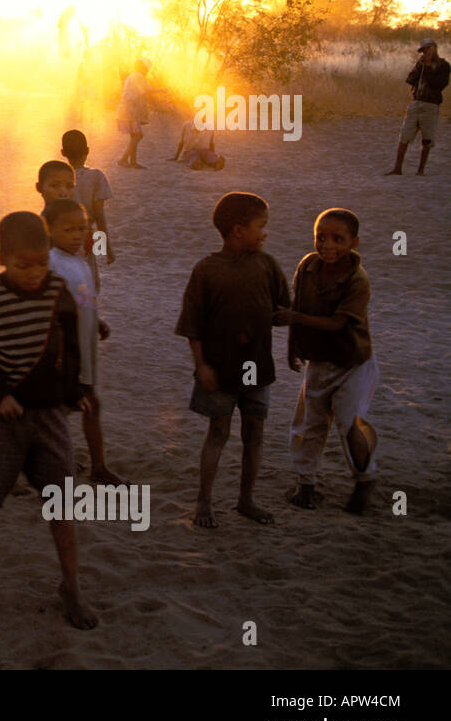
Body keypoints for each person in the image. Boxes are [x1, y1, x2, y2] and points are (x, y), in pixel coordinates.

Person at [0, 212, 96, 628]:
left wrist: (75, 390)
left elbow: (71, 343)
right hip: (1, 416)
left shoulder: (58, 290)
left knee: (61, 505)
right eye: (22, 265)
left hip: (48, 416)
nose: (33, 273)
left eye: (41, 262)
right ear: (1, 257)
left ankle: (71, 586)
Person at [175, 192, 290, 528]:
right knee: (219, 433)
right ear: (239, 230)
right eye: (261, 226)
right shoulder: (207, 270)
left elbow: (282, 310)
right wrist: (202, 366)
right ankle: (204, 502)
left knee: (255, 433)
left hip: (257, 367)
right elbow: (192, 326)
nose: (264, 233)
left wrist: (300, 323)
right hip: (220, 369)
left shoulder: (267, 265)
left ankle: (246, 500)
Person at [279, 209, 380, 515]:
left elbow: (337, 324)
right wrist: (292, 346)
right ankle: (306, 483)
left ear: (355, 242)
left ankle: (365, 479)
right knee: (309, 424)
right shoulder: (308, 266)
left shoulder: (357, 280)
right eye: (321, 237)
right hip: (318, 361)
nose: (328, 245)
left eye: (338, 239)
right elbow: (298, 305)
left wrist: (294, 318)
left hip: (353, 363)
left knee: (350, 425)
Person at [44, 199, 124, 485]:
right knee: (68, 409)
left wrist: (96, 320)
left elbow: (84, 299)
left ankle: (95, 466)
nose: (77, 235)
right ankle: (87, 466)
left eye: (82, 228)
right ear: (49, 230)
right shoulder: (51, 262)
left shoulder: (78, 261)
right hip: (65, 354)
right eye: (69, 230)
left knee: (82, 406)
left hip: (83, 350)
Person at [61, 129, 116, 290]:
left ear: (63, 152)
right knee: (88, 283)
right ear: (87, 150)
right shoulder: (96, 177)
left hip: (60, 237)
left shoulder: (59, 178)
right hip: (84, 237)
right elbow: (99, 216)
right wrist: (106, 248)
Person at [385, 38, 448, 175]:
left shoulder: (444, 66)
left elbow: (438, 84)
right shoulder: (421, 64)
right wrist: (421, 67)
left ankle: (420, 170)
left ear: (434, 48)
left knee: (427, 139)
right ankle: (397, 168)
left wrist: (428, 68)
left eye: (428, 49)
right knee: (404, 137)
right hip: (416, 103)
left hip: (431, 105)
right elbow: (410, 80)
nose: (425, 52)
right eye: (424, 50)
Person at [116, 58, 165, 169]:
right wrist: (163, 90)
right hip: (130, 111)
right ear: (143, 68)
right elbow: (148, 89)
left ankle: (133, 162)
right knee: (138, 135)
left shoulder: (132, 76)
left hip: (126, 110)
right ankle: (123, 159)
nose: (147, 71)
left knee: (134, 136)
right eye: (146, 69)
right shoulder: (138, 76)